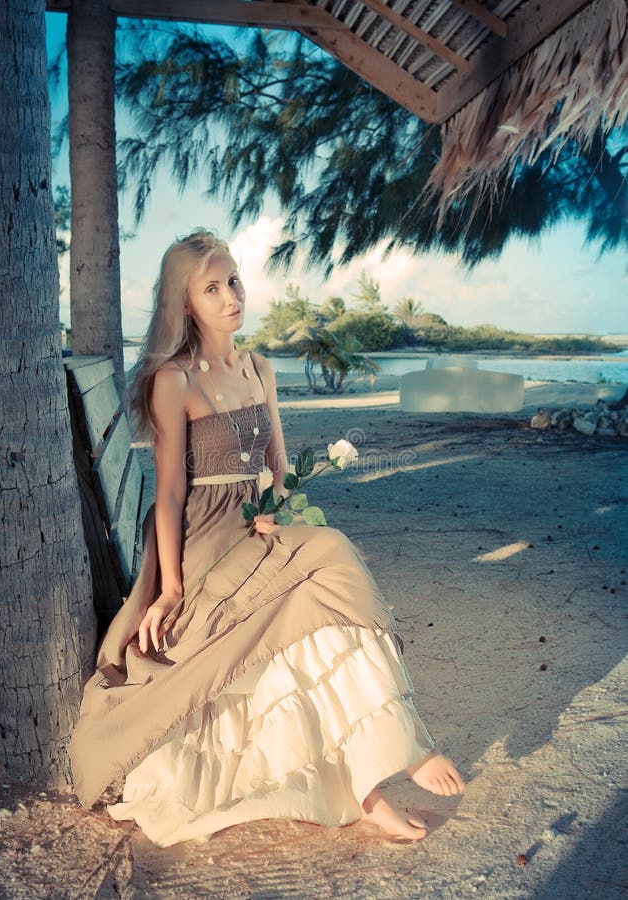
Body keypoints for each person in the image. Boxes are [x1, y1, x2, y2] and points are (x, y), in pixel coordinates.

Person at [68, 229, 465, 847]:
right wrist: (170, 590)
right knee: (331, 551)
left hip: (258, 526)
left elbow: (276, 468)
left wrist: (275, 506)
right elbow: (170, 493)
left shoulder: (259, 368)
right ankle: (403, 755)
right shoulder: (174, 381)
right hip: (203, 534)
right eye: (212, 287)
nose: (231, 296)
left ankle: (367, 790)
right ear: (186, 304)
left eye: (233, 280)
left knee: (318, 594)